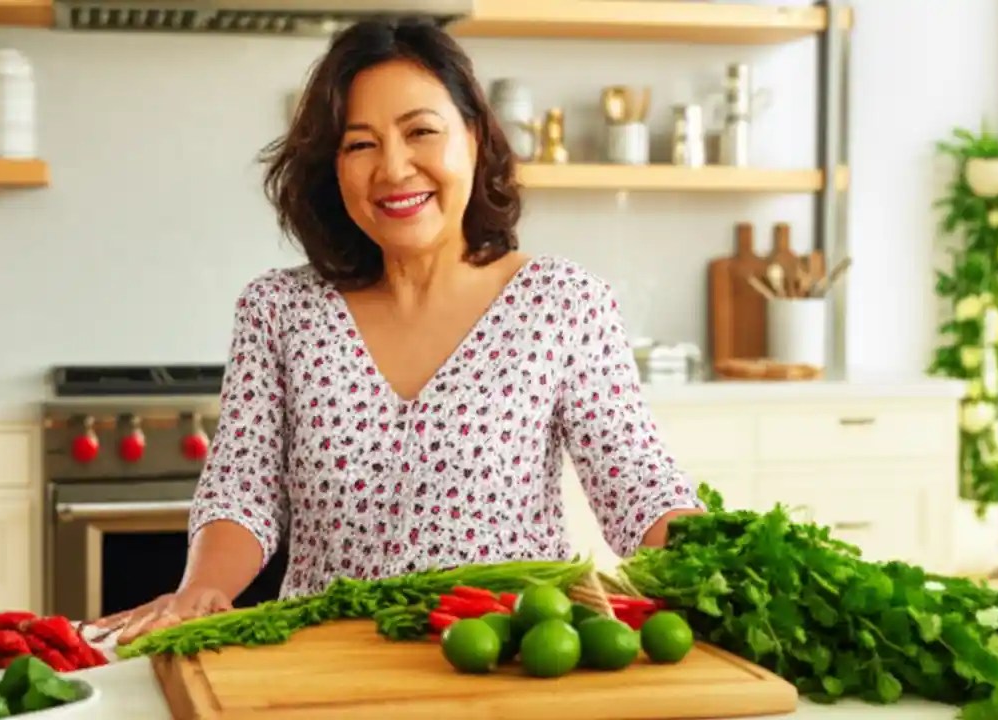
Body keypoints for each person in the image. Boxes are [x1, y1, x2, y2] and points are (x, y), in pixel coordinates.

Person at [98, 18, 703, 644]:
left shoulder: (563, 303)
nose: (393, 168)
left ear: (472, 137)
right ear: (332, 167)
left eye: (421, 132)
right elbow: (240, 491)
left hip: (507, 668)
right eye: (360, 144)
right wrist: (205, 585)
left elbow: (639, 486)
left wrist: (727, 568)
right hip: (324, 672)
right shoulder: (278, 310)